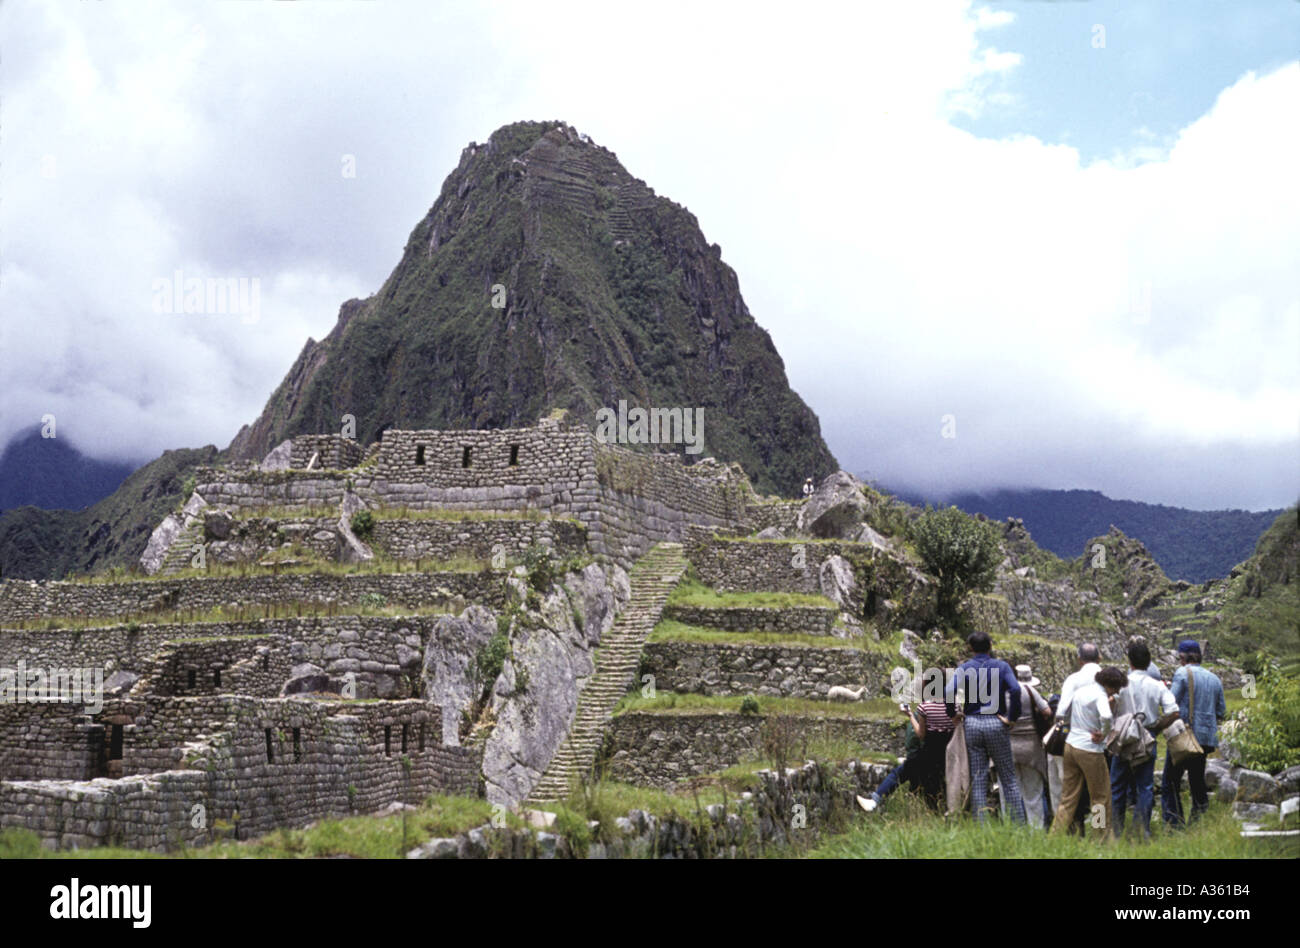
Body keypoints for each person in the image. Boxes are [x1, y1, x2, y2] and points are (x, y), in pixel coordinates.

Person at [944, 630, 1027, 823]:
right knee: (1008, 778)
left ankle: (981, 825)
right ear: (990, 646)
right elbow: (1015, 689)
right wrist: (1011, 717)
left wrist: (953, 714)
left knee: (978, 778)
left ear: (970, 648)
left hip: (972, 722)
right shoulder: (1002, 666)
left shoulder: (965, 668)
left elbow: (949, 690)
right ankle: (1019, 825)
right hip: (996, 721)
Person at [1111, 640, 1179, 839]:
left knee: (1117, 785)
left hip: (1123, 735)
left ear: (1130, 662)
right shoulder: (1157, 685)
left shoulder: (1121, 683)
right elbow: (1174, 711)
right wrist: (1158, 726)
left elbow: (1110, 705)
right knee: (1145, 786)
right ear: (1149, 663)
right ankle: (1142, 831)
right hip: (1147, 735)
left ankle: (1115, 831)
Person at [1051, 666, 1126, 841]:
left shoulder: (1081, 691)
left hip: (1070, 745)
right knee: (1100, 797)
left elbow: (1063, 713)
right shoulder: (1100, 696)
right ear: (1110, 685)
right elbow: (1106, 716)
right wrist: (1104, 732)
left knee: (1067, 797)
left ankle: (1056, 835)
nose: (1116, 692)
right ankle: (1101, 837)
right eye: (1116, 688)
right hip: (1090, 750)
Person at [1161, 640, 1226, 829]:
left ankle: (1175, 824)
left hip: (1186, 737)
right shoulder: (1214, 678)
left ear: (1183, 656)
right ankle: (1199, 822)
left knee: (1170, 782)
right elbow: (1221, 710)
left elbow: (1170, 704)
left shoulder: (1182, 673)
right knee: (1197, 780)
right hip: (1206, 739)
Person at [1050, 644, 1101, 826]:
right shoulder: (1105, 678)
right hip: (1096, 745)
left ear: (1080, 660)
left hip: (1072, 743)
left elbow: (1061, 712)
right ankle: (1099, 829)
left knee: (1069, 794)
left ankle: (1064, 831)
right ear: (1099, 658)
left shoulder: (1074, 679)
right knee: (1098, 794)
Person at [1000, 664, 1053, 828]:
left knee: (1008, 789)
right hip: (1030, 747)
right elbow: (1047, 712)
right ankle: (1036, 829)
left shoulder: (1002, 691)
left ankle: (1012, 826)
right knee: (1033, 791)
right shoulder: (1031, 691)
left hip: (1007, 745)